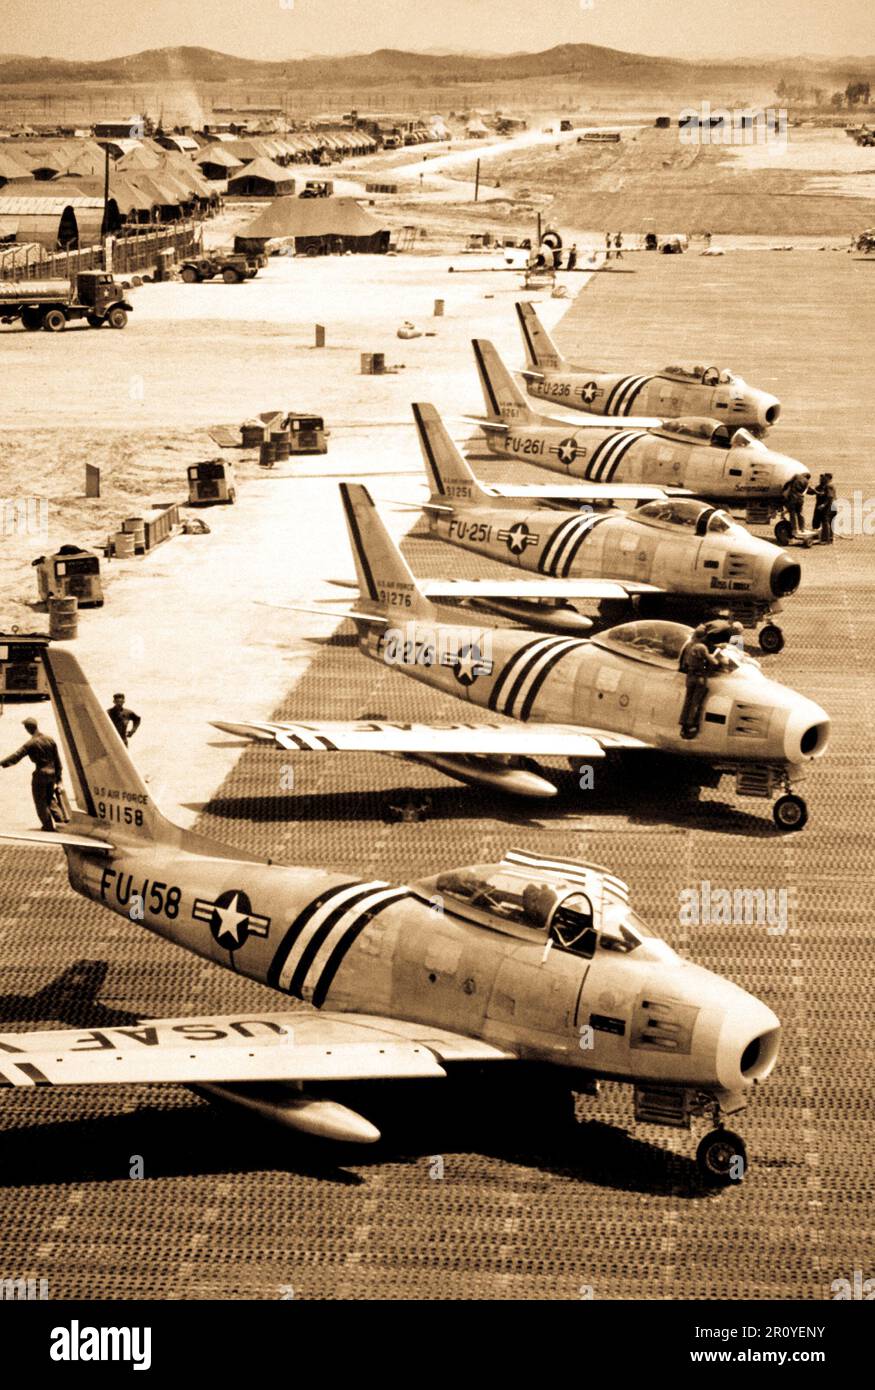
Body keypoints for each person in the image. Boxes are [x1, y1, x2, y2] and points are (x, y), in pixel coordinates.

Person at [1, 717, 63, 831]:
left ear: (29, 728)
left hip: (40, 774)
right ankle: (62, 822)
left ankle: (48, 825)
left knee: (40, 801)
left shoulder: (31, 743)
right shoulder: (50, 740)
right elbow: (57, 759)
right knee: (50, 798)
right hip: (52, 773)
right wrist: (59, 778)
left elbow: (16, 756)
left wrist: (2, 763)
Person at [679, 626, 723, 739]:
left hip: (689, 676)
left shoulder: (689, 645)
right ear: (703, 636)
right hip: (699, 678)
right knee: (696, 702)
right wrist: (716, 656)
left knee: (687, 701)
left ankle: (683, 723)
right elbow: (714, 662)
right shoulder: (701, 647)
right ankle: (690, 725)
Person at [810, 473, 837, 544]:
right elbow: (813, 492)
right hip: (829, 506)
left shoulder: (829, 486)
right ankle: (828, 538)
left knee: (826, 522)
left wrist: (823, 505)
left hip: (829, 507)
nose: (821, 480)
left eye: (823, 478)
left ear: (828, 479)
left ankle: (826, 539)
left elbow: (830, 497)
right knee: (826, 522)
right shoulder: (822, 486)